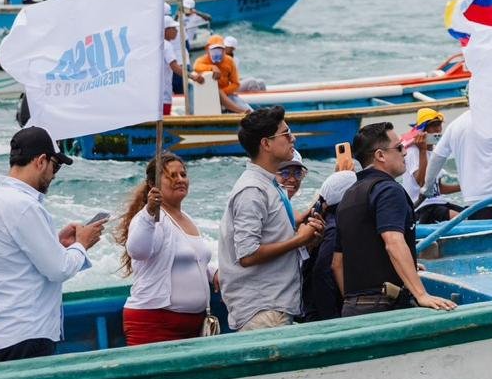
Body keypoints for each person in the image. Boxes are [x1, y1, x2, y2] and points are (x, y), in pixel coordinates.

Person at [0, 127, 104, 362]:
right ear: (41, 161)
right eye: (56, 165)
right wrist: (81, 244)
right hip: (27, 335)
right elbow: (58, 269)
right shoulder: (26, 206)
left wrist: (58, 244)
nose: (54, 174)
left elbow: (12, 260)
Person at [218, 106, 324, 332]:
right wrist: (299, 240)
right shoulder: (252, 190)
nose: (292, 138)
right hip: (263, 309)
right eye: (285, 134)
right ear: (266, 144)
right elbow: (247, 254)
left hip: (274, 304)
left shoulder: (269, 185)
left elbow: (267, 230)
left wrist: (298, 224)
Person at [332, 122, 455, 316]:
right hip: (385, 306)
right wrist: (421, 294)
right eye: (399, 147)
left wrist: (353, 301)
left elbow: (338, 263)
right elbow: (393, 242)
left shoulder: (349, 195)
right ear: (380, 155)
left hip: (352, 307)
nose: (405, 152)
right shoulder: (388, 190)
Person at [117, 154, 216, 345]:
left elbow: (191, 260)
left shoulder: (187, 218)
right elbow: (138, 250)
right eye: (171, 176)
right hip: (154, 322)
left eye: (183, 174)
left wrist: (212, 273)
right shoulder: (149, 219)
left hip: (192, 325)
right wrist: (149, 212)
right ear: (153, 184)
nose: (180, 180)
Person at [303, 171, 356, 322]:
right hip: (322, 316)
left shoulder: (326, 221)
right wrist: (332, 318)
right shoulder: (335, 227)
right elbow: (322, 272)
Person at [194, 35, 250, 114]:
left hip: (226, 94)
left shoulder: (229, 61)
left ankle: (243, 111)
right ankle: (240, 111)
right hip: (208, 95)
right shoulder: (202, 61)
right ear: (207, 49)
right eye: (214, 49)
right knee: (216, 90)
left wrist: (224, 92)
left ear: (224, 50)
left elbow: (236, 83)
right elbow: (196, 67)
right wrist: (212, 67)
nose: (217, 52)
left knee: (220, 91)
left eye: (219, 49)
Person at [163, 18, 203, 117]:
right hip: (164, 95)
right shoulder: (167, 46)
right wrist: (192, 77)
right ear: (166, 30)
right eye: (174, 28)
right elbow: (174, 67)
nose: (177, 31)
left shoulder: (158, 44)